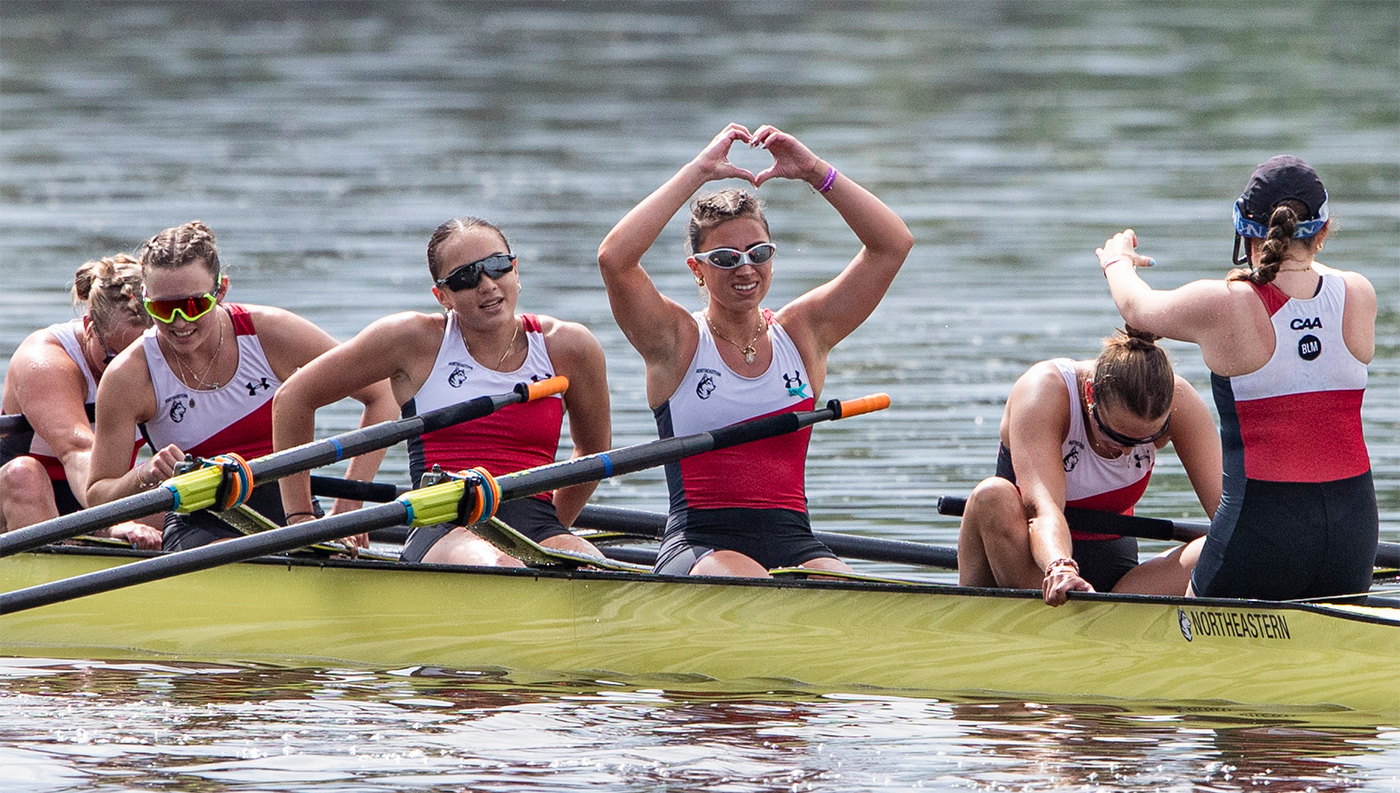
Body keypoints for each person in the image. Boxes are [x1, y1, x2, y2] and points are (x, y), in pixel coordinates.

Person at [597, 123, 913, 577]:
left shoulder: (803, 334)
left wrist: (814, 172)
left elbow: (892, 245)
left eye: (758, 253)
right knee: (748, 581)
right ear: (698, 269)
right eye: (726, 258)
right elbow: (615, 258)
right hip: (699, 545)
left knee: (846, 587)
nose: (745, 268)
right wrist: (698, 171)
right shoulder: (676, 341)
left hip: (795, 539)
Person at [1096, 155, 1378, 600]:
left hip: (1262, 534)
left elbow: (1135, 308)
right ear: (1323, 232)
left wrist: (1117, 260)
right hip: (1354, 533)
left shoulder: (1227, 304)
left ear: (1244, 231)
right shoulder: (1358, 294)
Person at [271, 216, 612, 566]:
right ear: (442, 296)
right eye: (465, 277)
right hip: (441, 522)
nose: (487, 284)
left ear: (515, 270)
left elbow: (593, 450)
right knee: (502, 566)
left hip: (535, 522)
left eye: (497, 266)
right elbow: (293, 398)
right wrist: (302, 521)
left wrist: (555, 525)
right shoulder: (411, 340)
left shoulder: (569, 346)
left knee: (599, 570)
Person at [86, 221, 398, 551]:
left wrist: (347, 508)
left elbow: (382, 394)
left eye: (194, 305)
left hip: (293, 512)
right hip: (200, 523)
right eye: (163, 308)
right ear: (146, 300)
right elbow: (97, 495)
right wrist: (145, 473)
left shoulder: (271, 334)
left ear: (221, 291)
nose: (179, 322)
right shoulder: (129, 376)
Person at [957, 329, 1222, 606]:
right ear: (1090, 393)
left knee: (1228, 544)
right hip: (1029, 566)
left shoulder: (1178, 402)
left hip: (1118, 578)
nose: (1129, 450)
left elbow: (1228, 513)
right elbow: (1042, 510)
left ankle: (1101, 617)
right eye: (1116, 436)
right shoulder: (1045, 391)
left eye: (1146, 439)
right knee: (992, 494)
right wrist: (1060, 566)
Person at [0, 254, 161, 547]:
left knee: (177, 494)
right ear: (89, 327)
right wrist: (116, 522)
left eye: (143, 356)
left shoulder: (169, 352)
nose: (124, 369)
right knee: (25, 475)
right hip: (22, 499)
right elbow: (77, 451)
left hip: (96, 501)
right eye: (113, 355)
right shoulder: (44, 359)